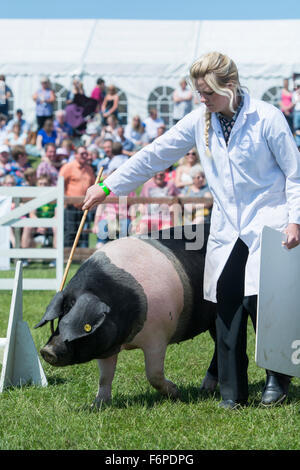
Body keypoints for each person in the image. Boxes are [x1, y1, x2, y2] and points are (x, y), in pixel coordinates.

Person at [83, 51, 300, 410]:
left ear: (229, 86)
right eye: (199, 93)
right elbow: (155, 154)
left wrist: (295, 220)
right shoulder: (200, 121)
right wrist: (108, 188)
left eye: (208, 93)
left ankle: (277, 379)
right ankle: (232, 391)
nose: (202, 99)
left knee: (265, 304)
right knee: (226, 304)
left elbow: (295, 172)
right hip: (229, 227)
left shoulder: (267, 118)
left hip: (270, 221)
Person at [59, 145, 95, 247]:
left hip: (85, 206)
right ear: (75, 155)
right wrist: (65, 199)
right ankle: (67, 256)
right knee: (70, 231)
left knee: (84, 233)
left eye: (86, 154)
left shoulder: (89, 169)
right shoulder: (68, 167)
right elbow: (60, 183)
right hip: (71, 205)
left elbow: (93, 184)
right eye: (82, 153)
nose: (85, 156)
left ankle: (81, 256)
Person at [135, 170, 180, 235]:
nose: (159, 176)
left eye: (161, 174)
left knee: (167, 232)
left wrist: (174, 205)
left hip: (165, 217)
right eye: (156, 174)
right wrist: (141, 205)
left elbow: (180, 197)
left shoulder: (170, 185)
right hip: (149, 217)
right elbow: (141, 200)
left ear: (165, 175)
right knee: (141, 229)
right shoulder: (147, 185)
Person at [292, 80, 300, 149]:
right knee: (296, 129)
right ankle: (298, 144)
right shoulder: (294, 94)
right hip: (297, 112)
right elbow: (294, 102)